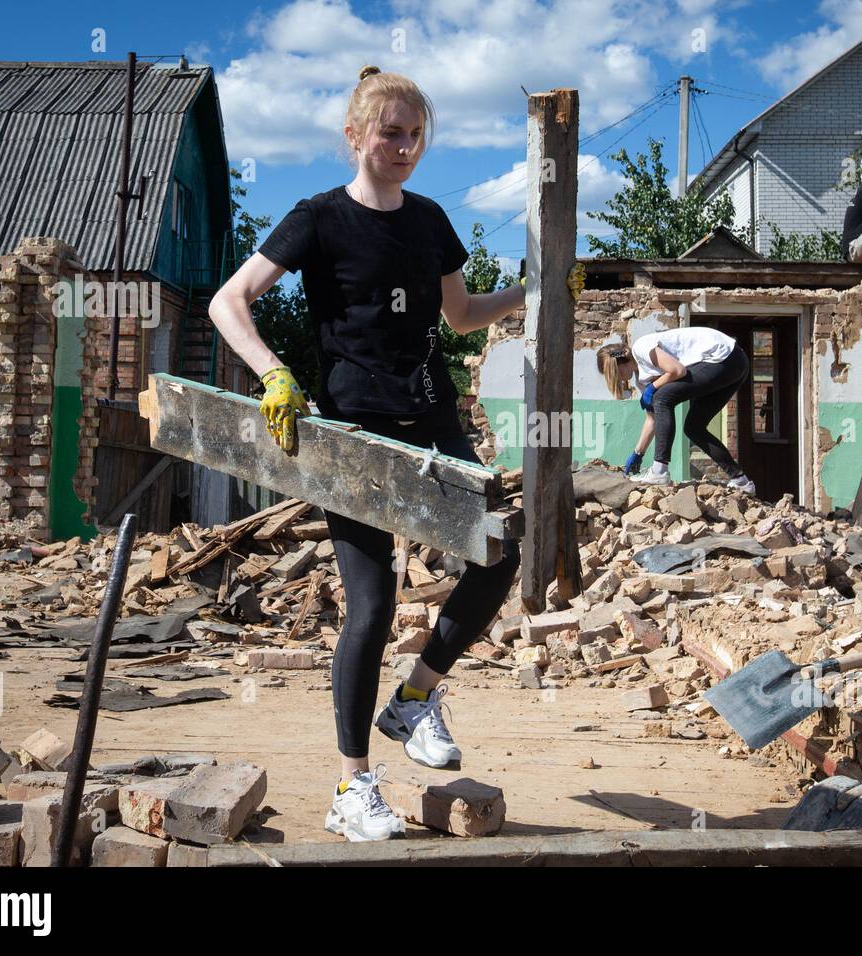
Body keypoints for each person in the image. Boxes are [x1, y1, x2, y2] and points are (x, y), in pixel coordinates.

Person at [208, 65, 584, 842]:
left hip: (430, 412)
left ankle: (415, 697)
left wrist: (539, 286)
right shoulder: (316, 219)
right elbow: (228, 300)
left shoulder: (432, 221)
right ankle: (353, 785)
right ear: (354, 136)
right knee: (372, 604)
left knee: (496, 555)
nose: (405, 146)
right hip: (353, 431)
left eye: (416, 135)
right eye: (390, 132)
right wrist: (274, 374)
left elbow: (461, 317)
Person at [596, 326, 755, 495]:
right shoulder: (642, 380)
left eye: (613, 373)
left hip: (726, 357)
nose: (618, 379)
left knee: (662, 397)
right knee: (694, 428)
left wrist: (653, 389)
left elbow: (678, 370)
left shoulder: (641, 348)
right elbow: (653, 418)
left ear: (618, 363)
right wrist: (638, 453)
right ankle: (741, 481)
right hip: (730, 365)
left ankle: (659, 471)